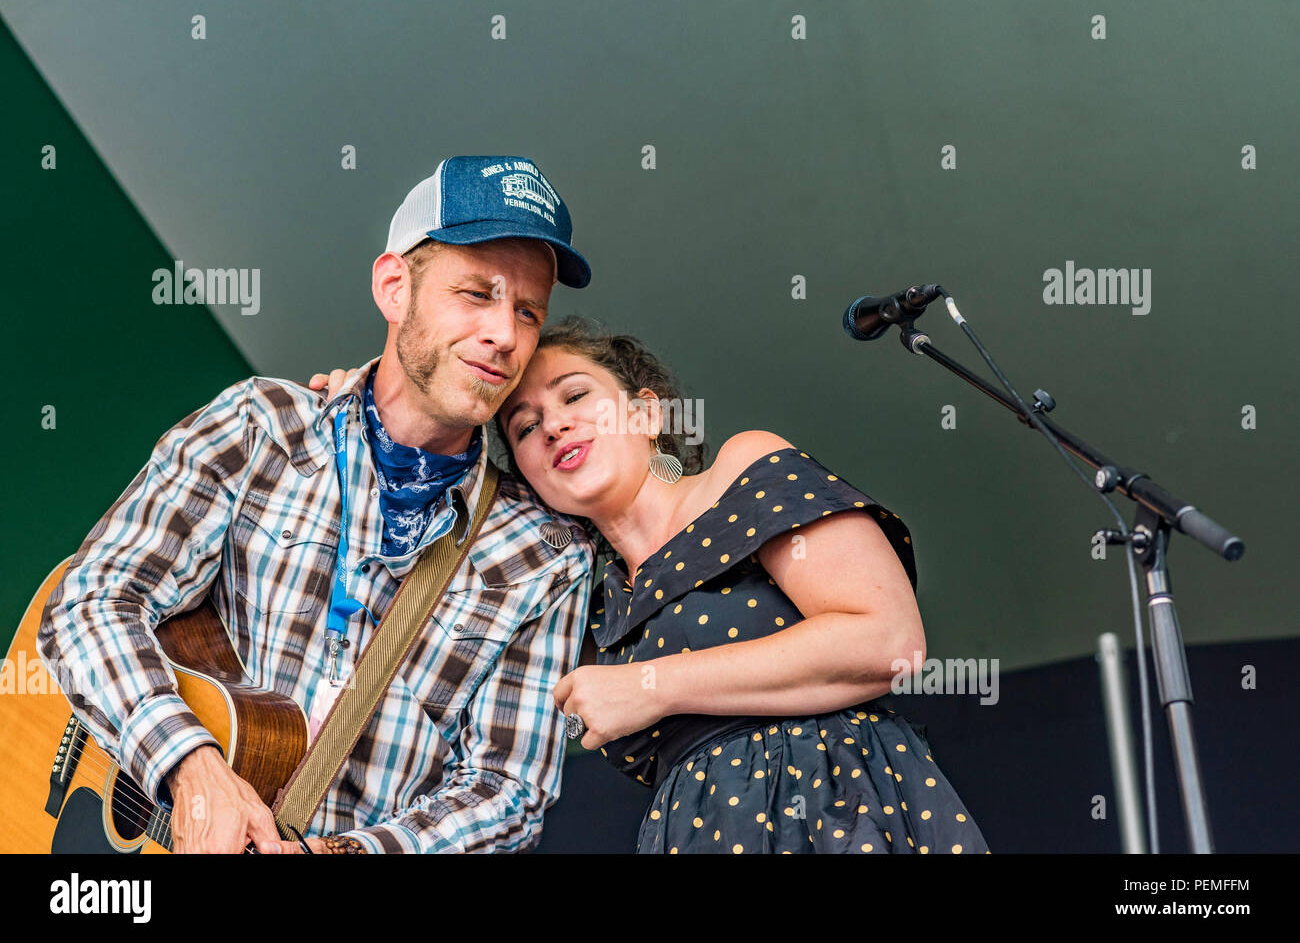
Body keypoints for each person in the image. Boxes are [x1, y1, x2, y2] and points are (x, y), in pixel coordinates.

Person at [39, 155, 597, 853]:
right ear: (395, 287)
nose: (506, 334)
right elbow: (90, 601)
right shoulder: (257, 425)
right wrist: (188, 763)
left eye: (527, 311)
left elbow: (505, 790)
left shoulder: (544, 554)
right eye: (476, 294)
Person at [492, 315, 991, 853]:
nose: (553, 426)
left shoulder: (740, 472)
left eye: (575, 396)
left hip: (840, 812)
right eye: (525, 427)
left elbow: (888, 641)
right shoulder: (588, 610)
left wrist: (650, 686)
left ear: (647, 412)